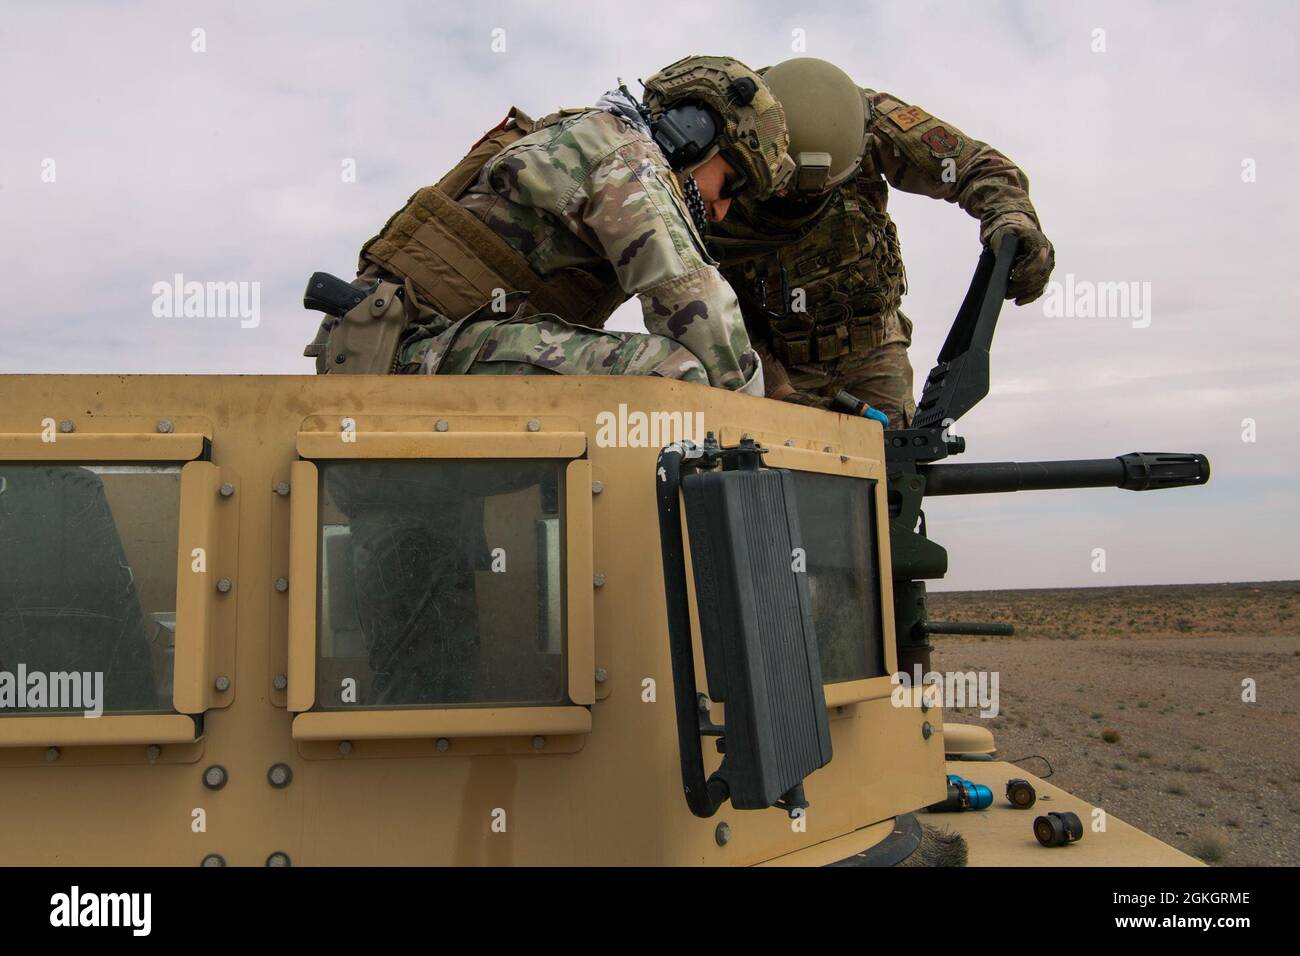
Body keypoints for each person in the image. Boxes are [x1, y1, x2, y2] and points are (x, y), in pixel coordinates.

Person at [304, 54, 794, 396]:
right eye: (730, 184)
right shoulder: (621, 156)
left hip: (414, 351)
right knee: (675, 373)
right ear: (694, 132)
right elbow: (693, 305)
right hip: (406, 353)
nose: (723, 209)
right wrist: (763, 421)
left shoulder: (593, 138)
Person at [705, 57, 1055, 426]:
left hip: (873, 348)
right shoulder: (721, 149)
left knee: (895, 466)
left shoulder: (868, 122)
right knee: (781, 469)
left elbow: (976, 165)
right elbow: (705, 296)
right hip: (770, 359)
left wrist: (1012, 221)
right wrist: (780, 392)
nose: (802, 201)